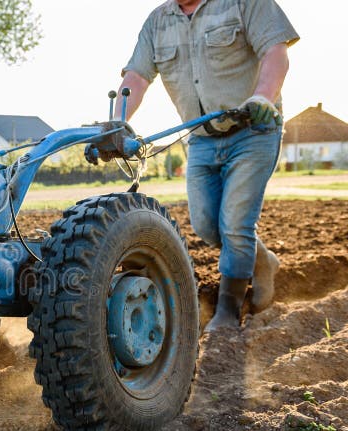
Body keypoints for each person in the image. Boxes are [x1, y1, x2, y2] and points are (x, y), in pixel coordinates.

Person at [118, 0, 299, 332]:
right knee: (205, 225)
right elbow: (137, 77)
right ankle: (263, 261)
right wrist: (118, 123)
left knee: (236, 224)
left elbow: (276, 52)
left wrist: (262, 96)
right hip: (201, 138)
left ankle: (228, 311)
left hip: (253, 130)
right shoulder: (157, 22)